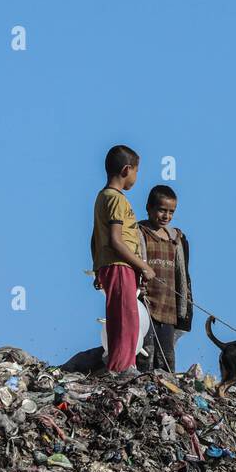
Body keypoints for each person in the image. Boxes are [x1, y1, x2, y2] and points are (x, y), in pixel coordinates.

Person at [90, 145, 154, 374]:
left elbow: (96, 237)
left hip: (111, 266)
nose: (137, 177)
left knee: (119, 317)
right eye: (137, 171)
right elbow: (116, 240)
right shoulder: (117, 199)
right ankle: (122, 367)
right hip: (121, 266)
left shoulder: (101, 197)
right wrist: (143, 266)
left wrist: (98, 268)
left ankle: (123, 364)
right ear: (127, 169)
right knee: (126, 319)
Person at [137, 184, 193, 372]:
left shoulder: (175, 238)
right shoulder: (139, 233)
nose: (166, 216)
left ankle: (164, 390)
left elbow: (182, 274)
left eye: (171, 212)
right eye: (162, 210)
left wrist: (184, 304)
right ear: (149, 208)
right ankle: (143, 385)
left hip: (168, 305)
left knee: (166, 354)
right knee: (145, 350)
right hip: (145, 302)